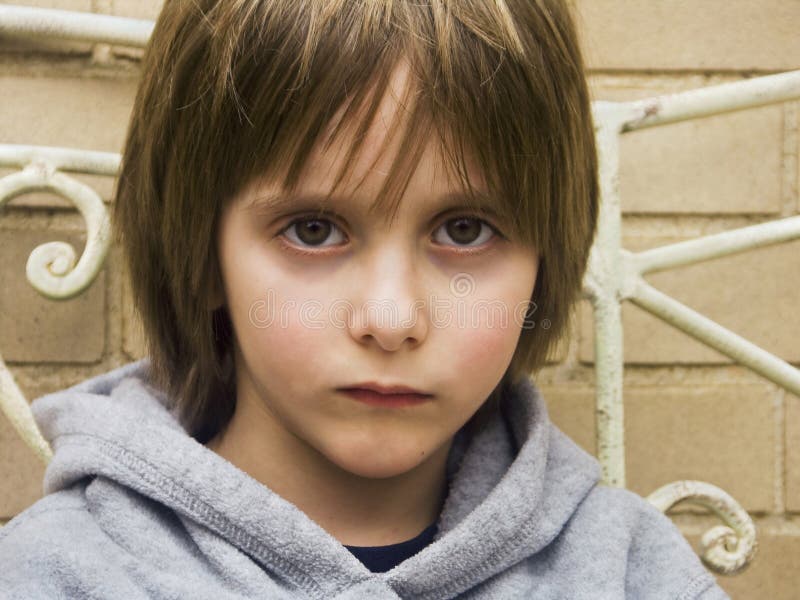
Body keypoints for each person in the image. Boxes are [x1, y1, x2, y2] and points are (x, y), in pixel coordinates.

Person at [0, 1, 730, 598]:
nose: (391, 319)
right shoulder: (57, 575)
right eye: (314, 230)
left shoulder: (635, 575)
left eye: (465, 229)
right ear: (203, 253)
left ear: (544, 260)